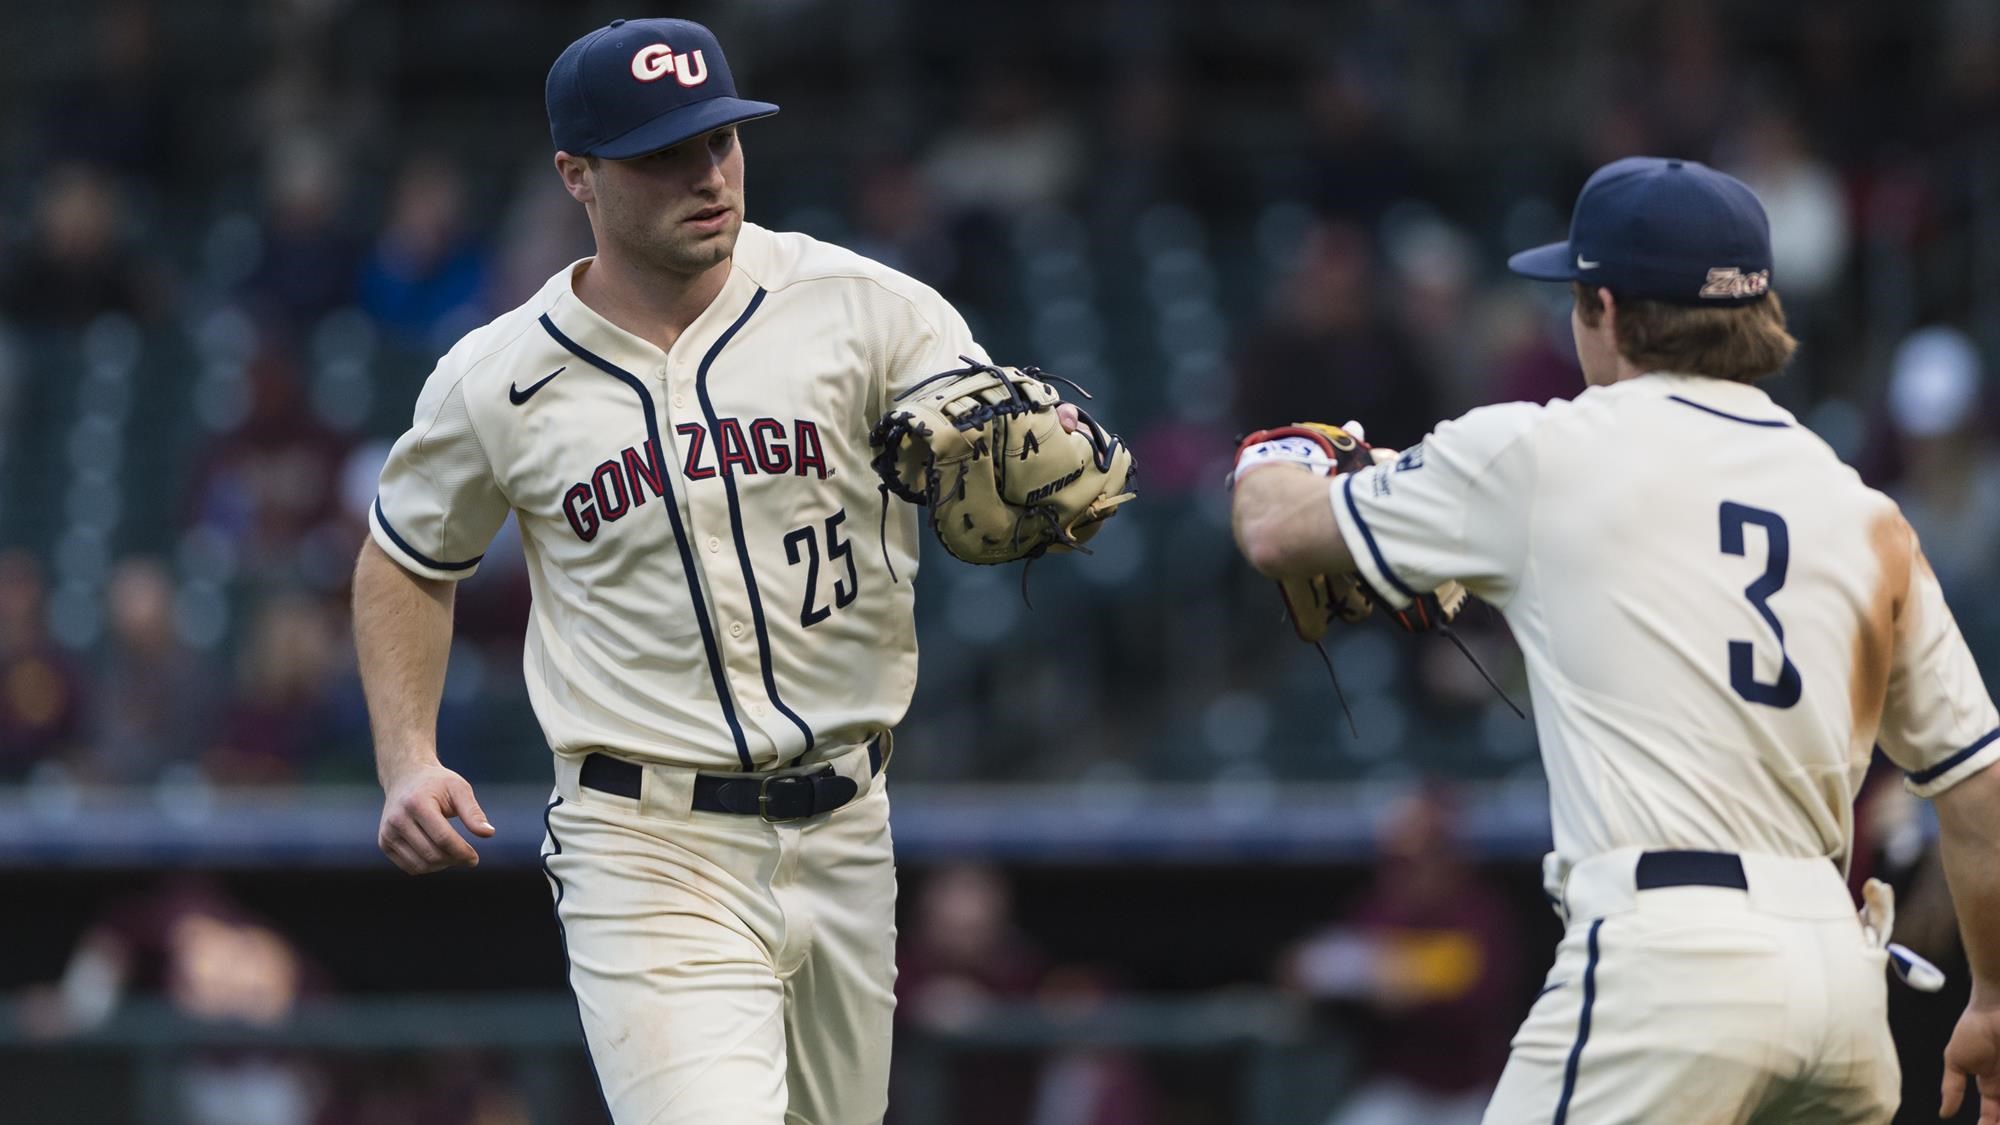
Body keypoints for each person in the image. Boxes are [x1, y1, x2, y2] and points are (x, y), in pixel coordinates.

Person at [350, 18, 1087, 1125]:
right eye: (662, 154)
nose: (705, 174)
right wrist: (407, 756)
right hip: (644, 838)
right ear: (577, 177)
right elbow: (404, 557)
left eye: (720, 141)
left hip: (848, 824)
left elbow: (1006, 436)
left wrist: (1031, 456)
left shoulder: (871, 311)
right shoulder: (496, 377)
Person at [1229, 156, 2000, 1123]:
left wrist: (1279, 453)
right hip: (1841, 986)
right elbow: (1977, 779)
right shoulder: (1860, 508)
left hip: (1668, 967)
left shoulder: (1545, 451)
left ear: (1604, 305)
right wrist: (1997, 999)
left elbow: (1274, 531)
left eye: (1576, 296)